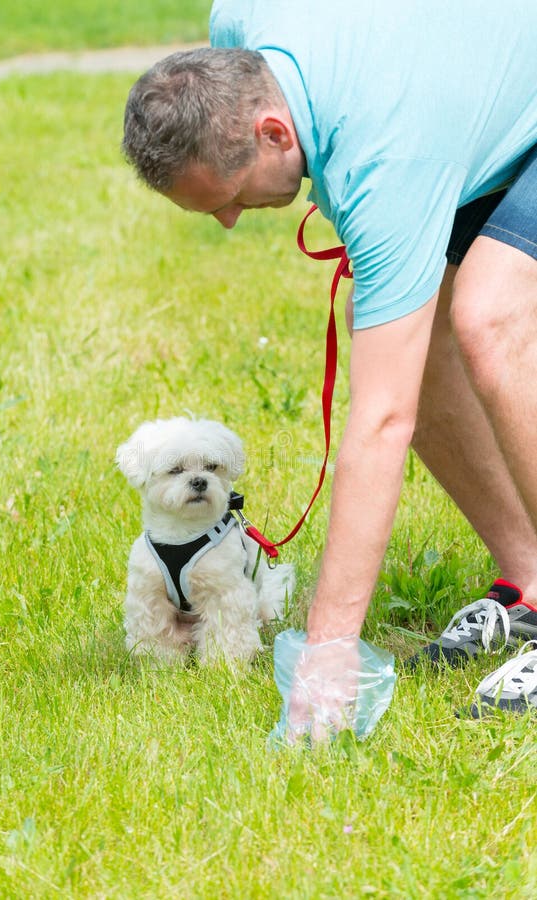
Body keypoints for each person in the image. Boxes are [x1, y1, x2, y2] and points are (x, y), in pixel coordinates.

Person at [122, 0, 537, 735]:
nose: (227, 221)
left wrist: (329, 648)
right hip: (462, 93)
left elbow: (380, 421)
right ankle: (532, 583)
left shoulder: (389, 162)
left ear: (272, 131)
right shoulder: (238, 25)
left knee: (487, 315)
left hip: (471, 106)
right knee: (413, 339)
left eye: (226, 199)